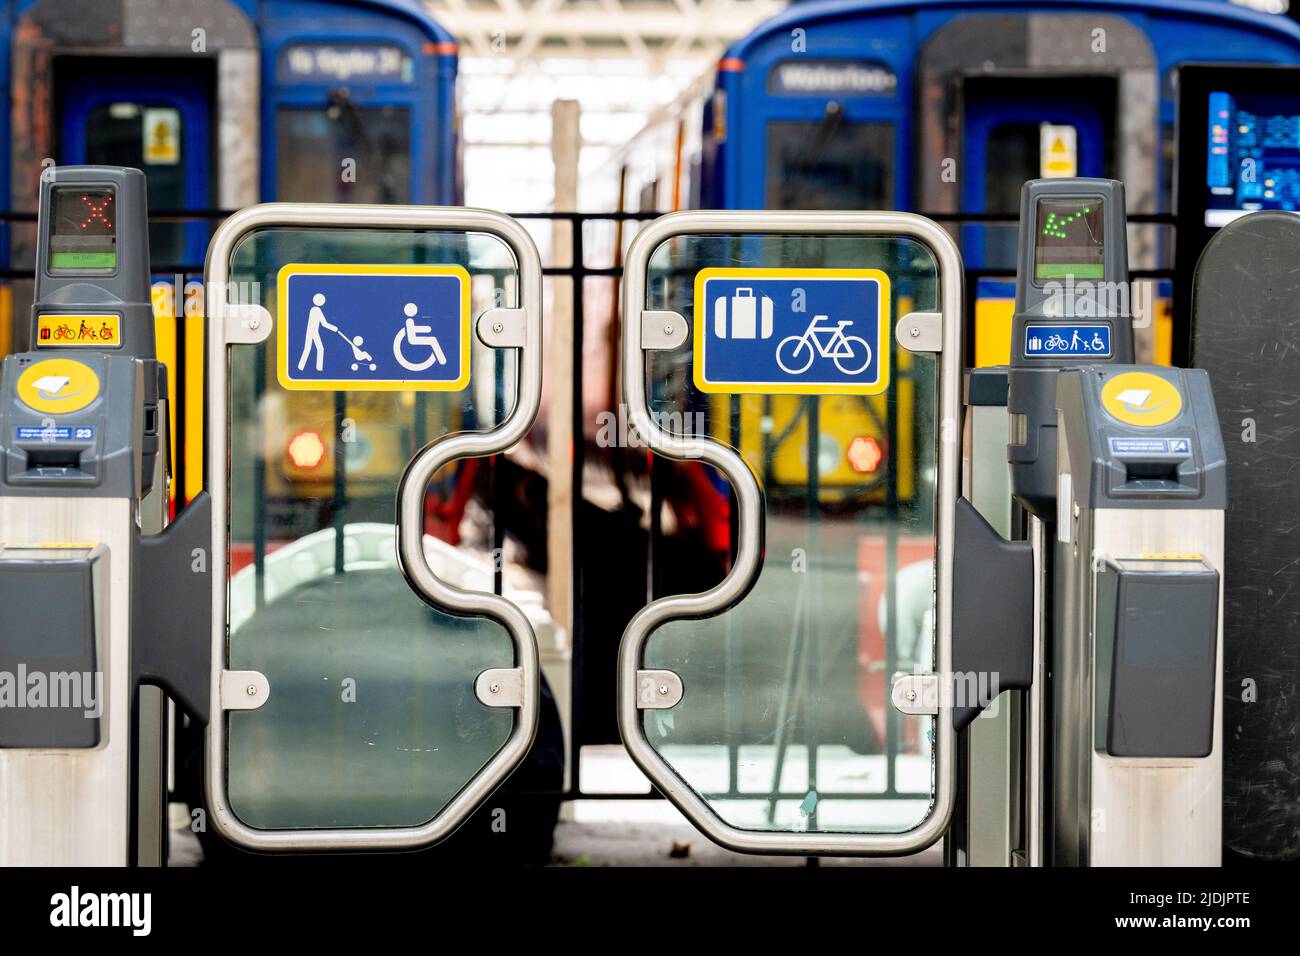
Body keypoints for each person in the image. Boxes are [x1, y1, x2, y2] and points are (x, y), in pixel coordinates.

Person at [298, 292, 338, 372]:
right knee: (320, 349)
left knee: (308, 348)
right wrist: (334, 328)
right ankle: (318, 368)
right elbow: (324, 324)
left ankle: (301, 367)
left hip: (311, 331)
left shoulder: (314, 309)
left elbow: (323, 323)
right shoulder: (316, 310)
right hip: (313, 332)